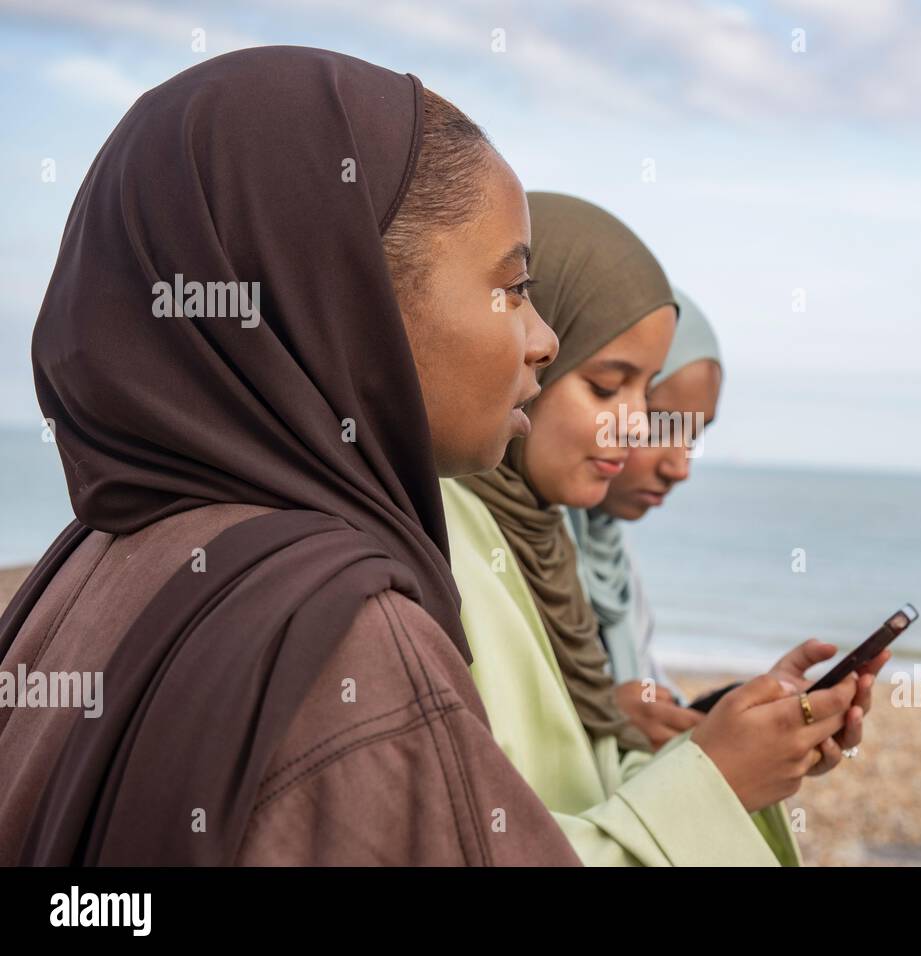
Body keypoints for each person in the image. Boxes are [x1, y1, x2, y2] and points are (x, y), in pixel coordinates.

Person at [0, 46, 580, 866]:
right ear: (345, 296)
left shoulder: (85, 565)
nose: (545, 340)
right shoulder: (349, 642)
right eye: (513, 289)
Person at [442, 192, 875, 866]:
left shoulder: (541, 537)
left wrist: (746, 746)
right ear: (533, 353)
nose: (643, 432)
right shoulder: (444, 541)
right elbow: (474, 837)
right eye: (610, 385)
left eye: (650, 397)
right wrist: (716, 774)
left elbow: (584, 791)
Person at [570, 288, 892, 750]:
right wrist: (596, 716)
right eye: (662, 425)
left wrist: (745, 711)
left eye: (693, 437)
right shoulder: (519, 545)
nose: (679, 468)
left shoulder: (615, 564)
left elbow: (655, 705)